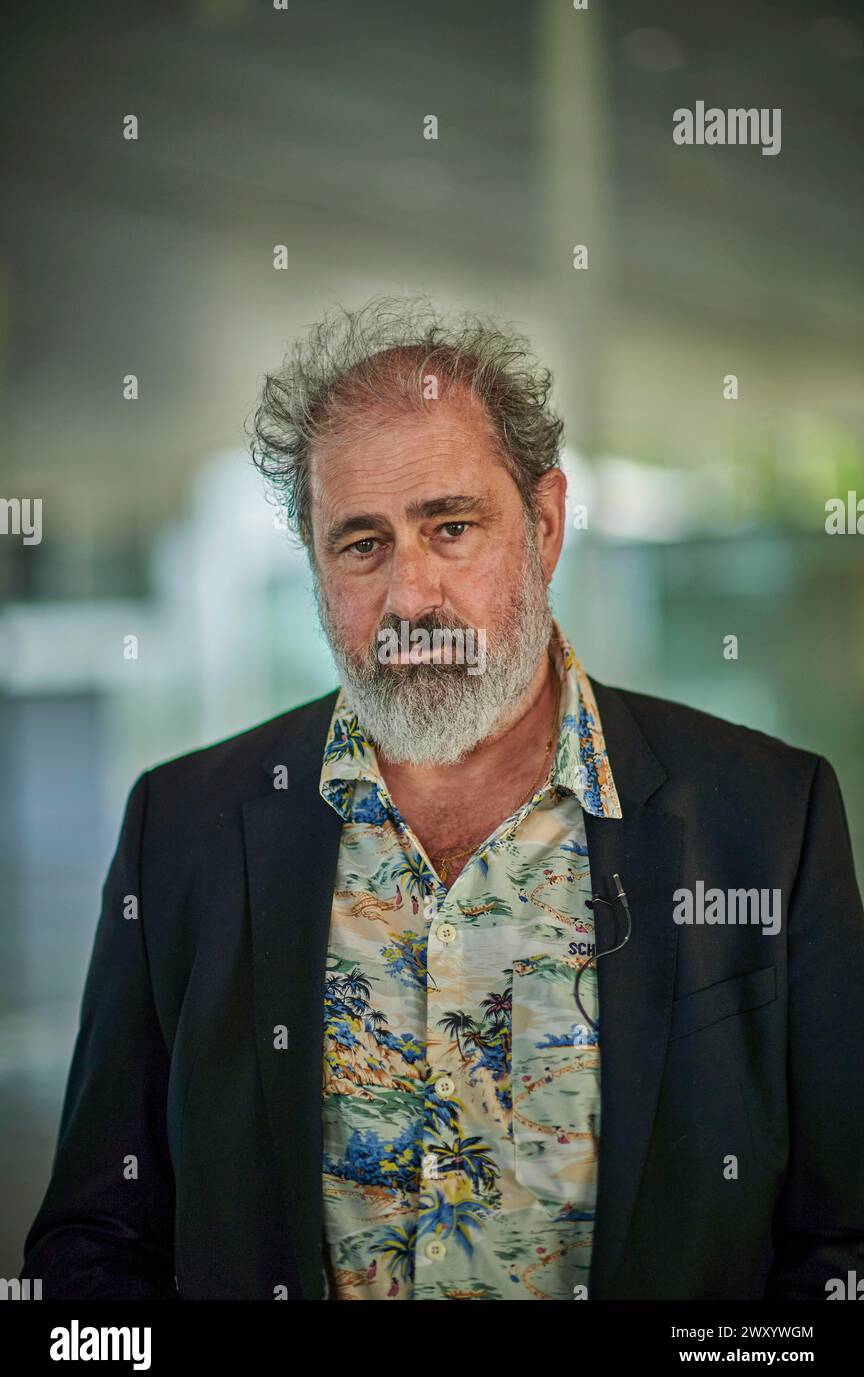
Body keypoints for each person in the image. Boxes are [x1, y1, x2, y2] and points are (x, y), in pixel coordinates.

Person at [20, 296, 864, 1300]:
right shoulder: (183, 830)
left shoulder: (767, 820)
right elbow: (92, 1245)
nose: (410, 595)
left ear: (545, 524)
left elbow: (843, 1243)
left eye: (451, 527)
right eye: (361, 544)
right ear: (316, 564)